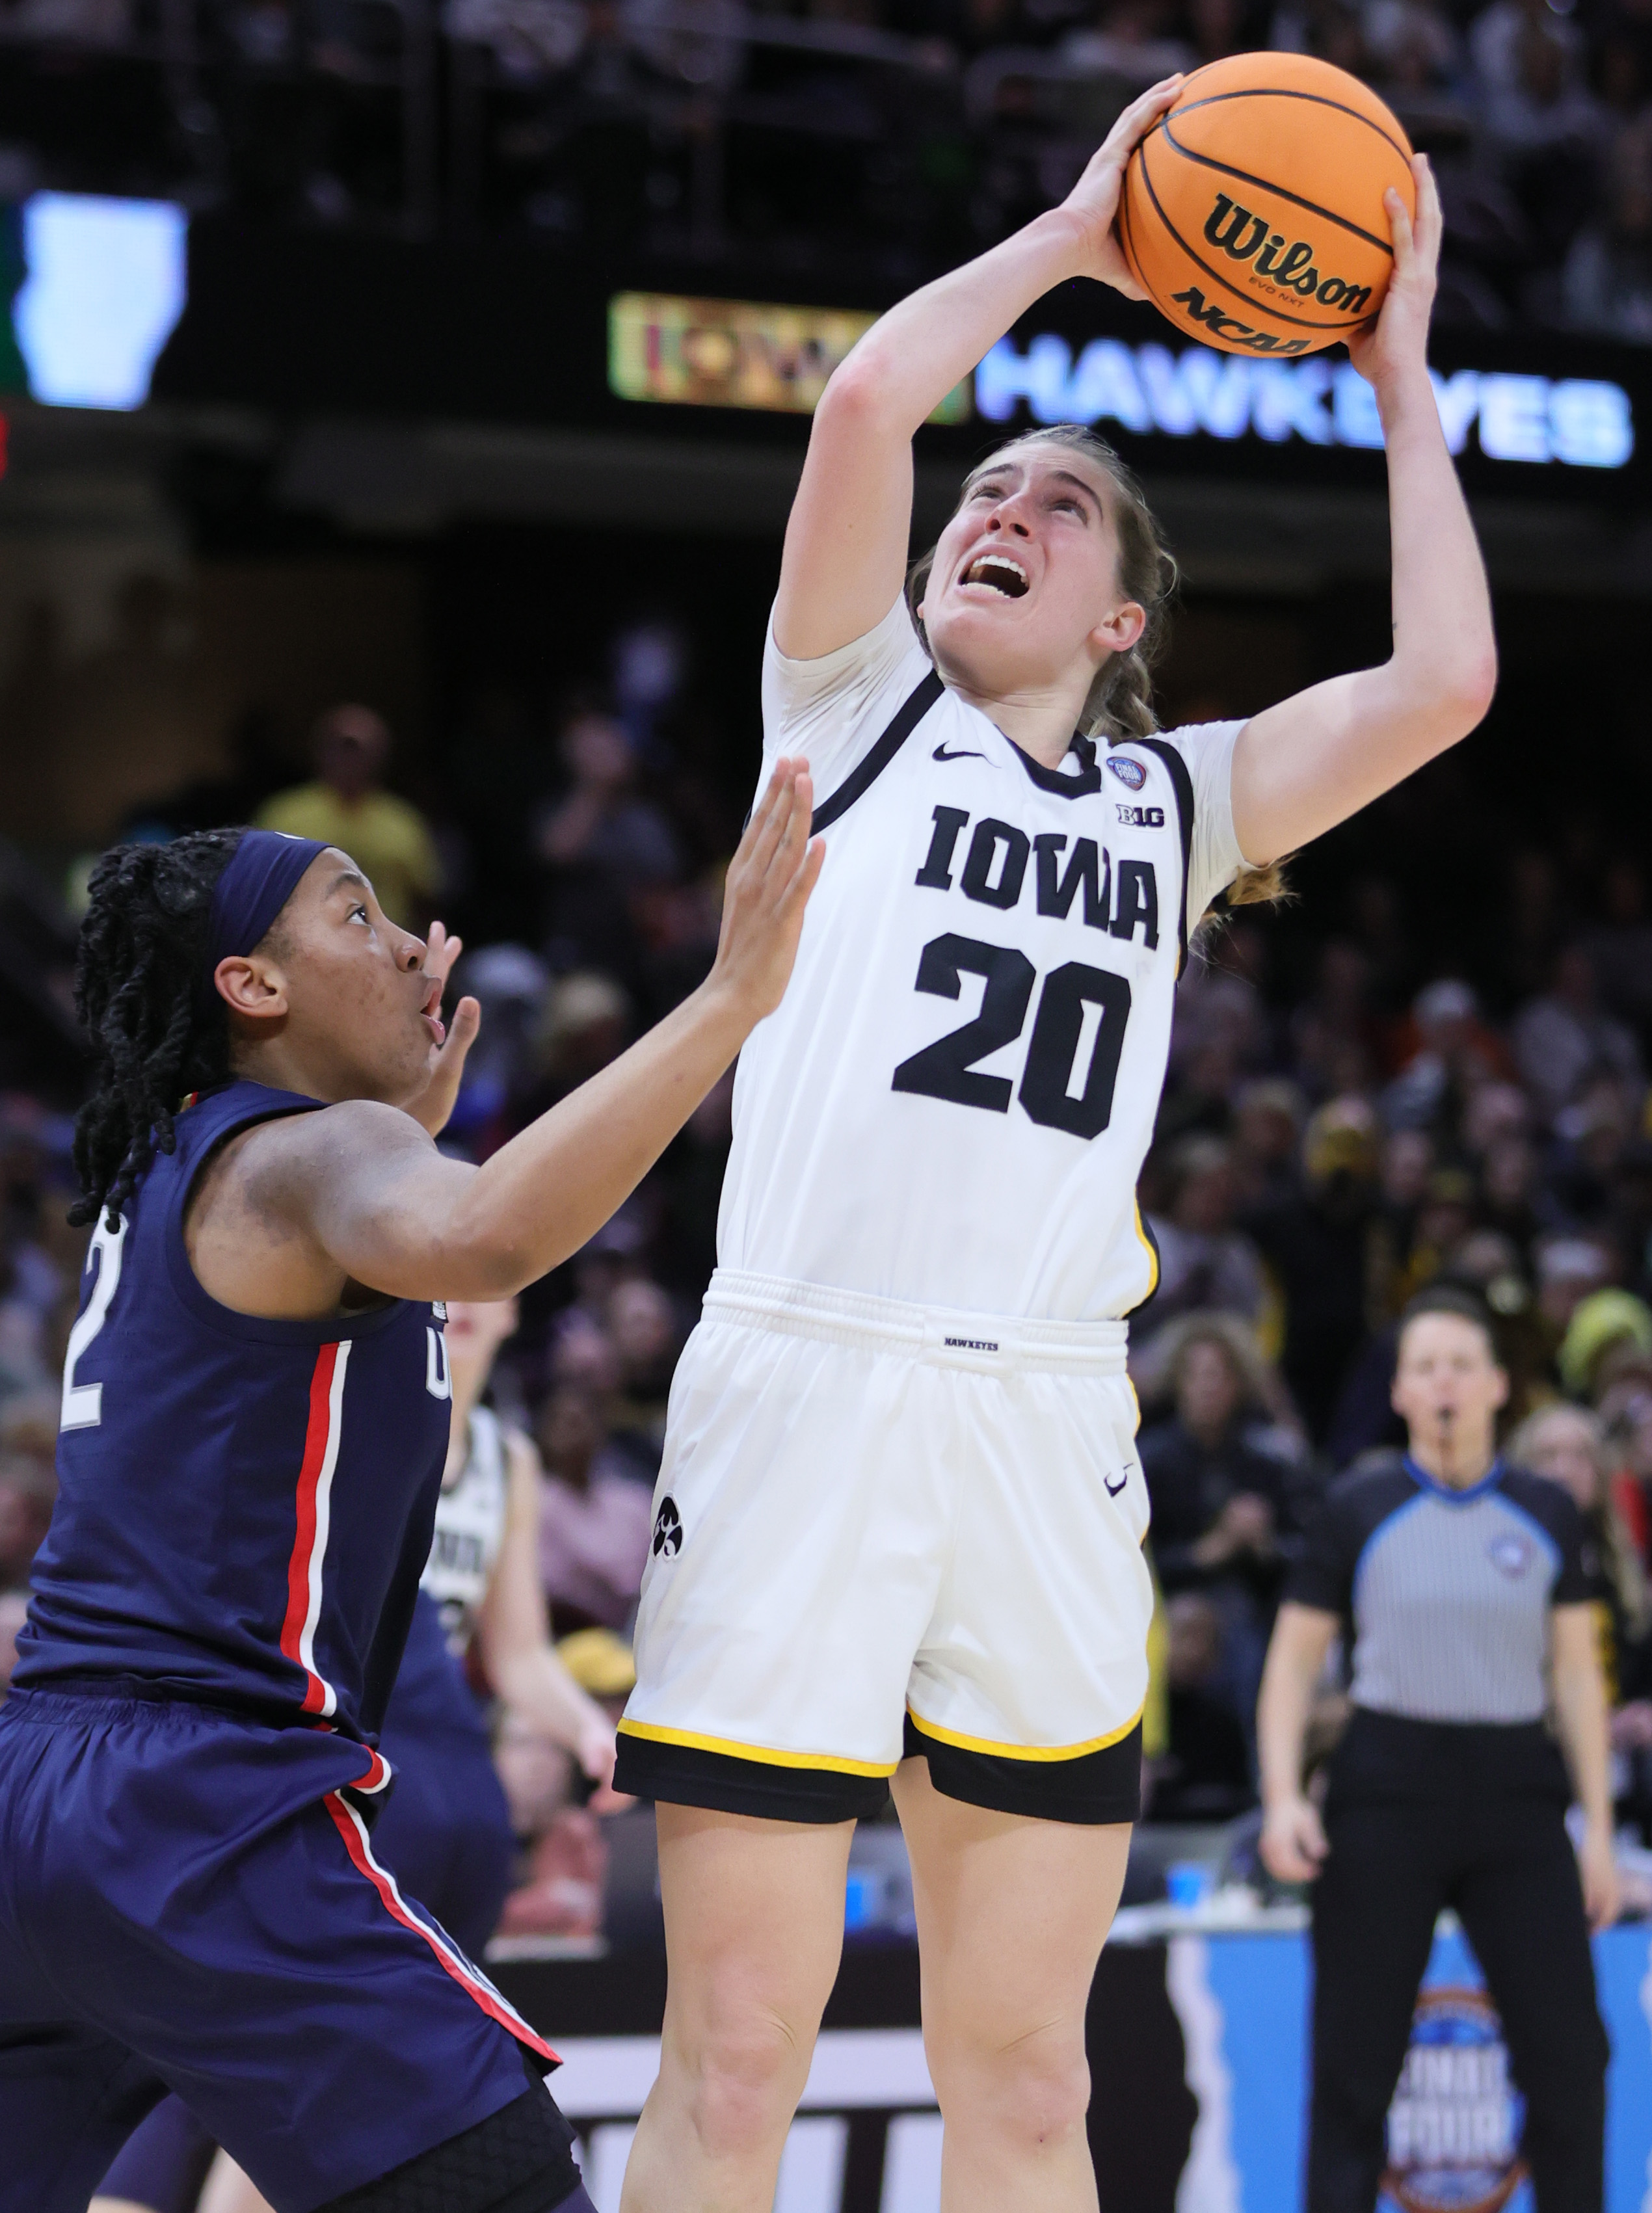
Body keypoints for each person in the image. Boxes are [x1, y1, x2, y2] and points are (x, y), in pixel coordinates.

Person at [609, 73, 1497, 2213]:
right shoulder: (848, 704)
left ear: (1123, 622)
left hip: (1045, 1428)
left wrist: (1401, 367)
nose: (999, 501)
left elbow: (1449, 677)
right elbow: (860, 414)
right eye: (982, 489)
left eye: (1060, 503)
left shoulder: (1173, 803)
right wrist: (1082, 235)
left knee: (1027, 2085)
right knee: (741, 2048)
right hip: (805, 1374)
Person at [1, 777, 820, 2213]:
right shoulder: (317, 1151)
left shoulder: (179, 1164)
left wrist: (397, 1126)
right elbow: (493, 1235)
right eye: (354, 912)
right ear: (252, 983)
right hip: (202, 1807)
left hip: (41, 1790)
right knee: (505, 2184)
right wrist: (730, 998)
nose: (410, 942)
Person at [92, 1292, 626, 2213]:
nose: (462, 1301)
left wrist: (586, 1725)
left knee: (292, 2075)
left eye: (484, 1280)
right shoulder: (351, 1414)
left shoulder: (508, 1457)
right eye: (443, 1278)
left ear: (518, 1296)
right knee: (257, 2072)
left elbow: (519, 1651)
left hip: (416, 1786)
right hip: (307, 1766)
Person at [1258, 1288, 1616, 2213]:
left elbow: (1578, 1679)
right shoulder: (1357, 1504)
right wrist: (1284, 1795)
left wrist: (1601, 1832)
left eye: (1462, 1362)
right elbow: (1293, 1664)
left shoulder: (1546, 1510)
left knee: (1572, 2055)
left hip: (1518, 1793)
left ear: (1500, 1384)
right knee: (1353, 2059)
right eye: (1425, 1365)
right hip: (1386, 1783)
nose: (1444, 1379)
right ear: (1402, 1391)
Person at [258, 704, 442, 931]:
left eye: (361, 748)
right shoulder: (285, 813)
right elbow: (259, 889)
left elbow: (424, 902)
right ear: (320, 750)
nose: (351, 757)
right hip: (303, 946)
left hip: (386, 949)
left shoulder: (403, 823)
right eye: (343, 746)